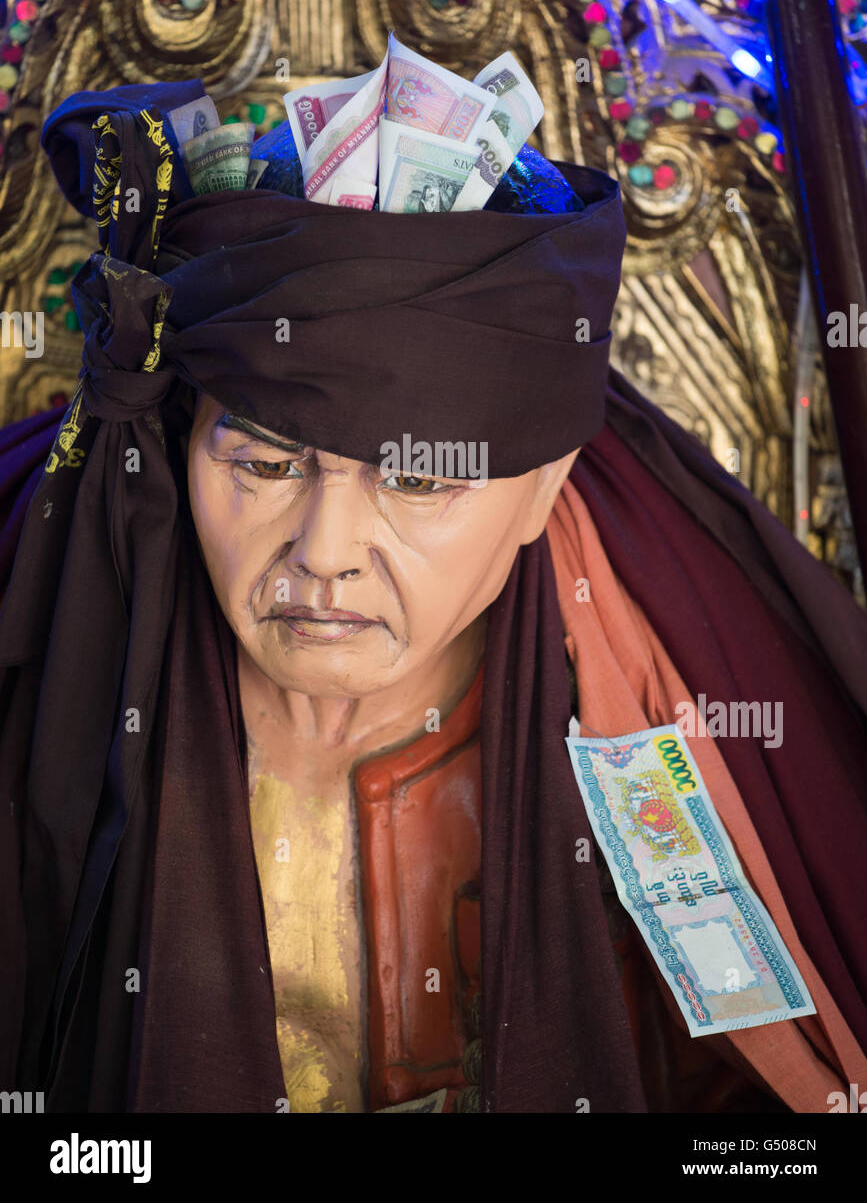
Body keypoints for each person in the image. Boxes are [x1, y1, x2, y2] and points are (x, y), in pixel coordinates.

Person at [0, 79, 866, 1114]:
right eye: (265, 463)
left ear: (544, 488)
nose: (323, 556)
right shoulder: (53, 577)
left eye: (416, 479)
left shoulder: (661, 671)